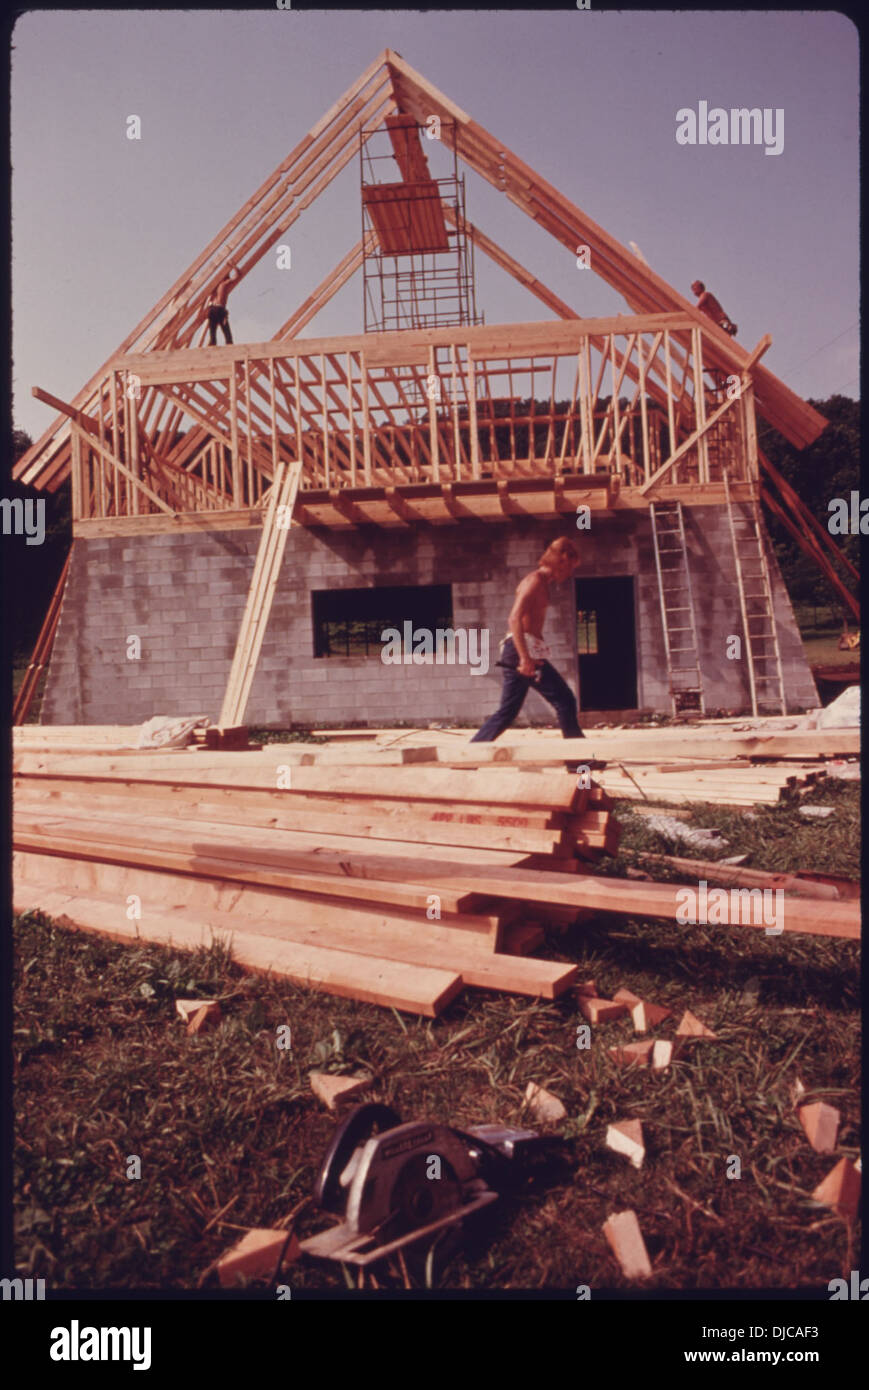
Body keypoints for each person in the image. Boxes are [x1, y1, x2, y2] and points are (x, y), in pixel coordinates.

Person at [471, 536, 585, 742]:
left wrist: (537, 652)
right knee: (562, 700)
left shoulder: (542, 583)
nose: (570, 573)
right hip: (518, 651)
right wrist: (524, 658)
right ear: (561, 561)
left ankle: (578, 757)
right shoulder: (533, 582)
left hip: (527, 650)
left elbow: (530, 625)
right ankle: (578, 759)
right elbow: (514, 618)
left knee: (513, 711)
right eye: (570, 567)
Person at [204, 265, 238, 344]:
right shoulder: (224, 284)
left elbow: (210, 297)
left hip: (211, 310)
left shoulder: (215, 288)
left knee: (212, 335)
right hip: (219, 310)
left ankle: (212, 343)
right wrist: (233, 266)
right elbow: (237, 275)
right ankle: (229, 346)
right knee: (227, 335)